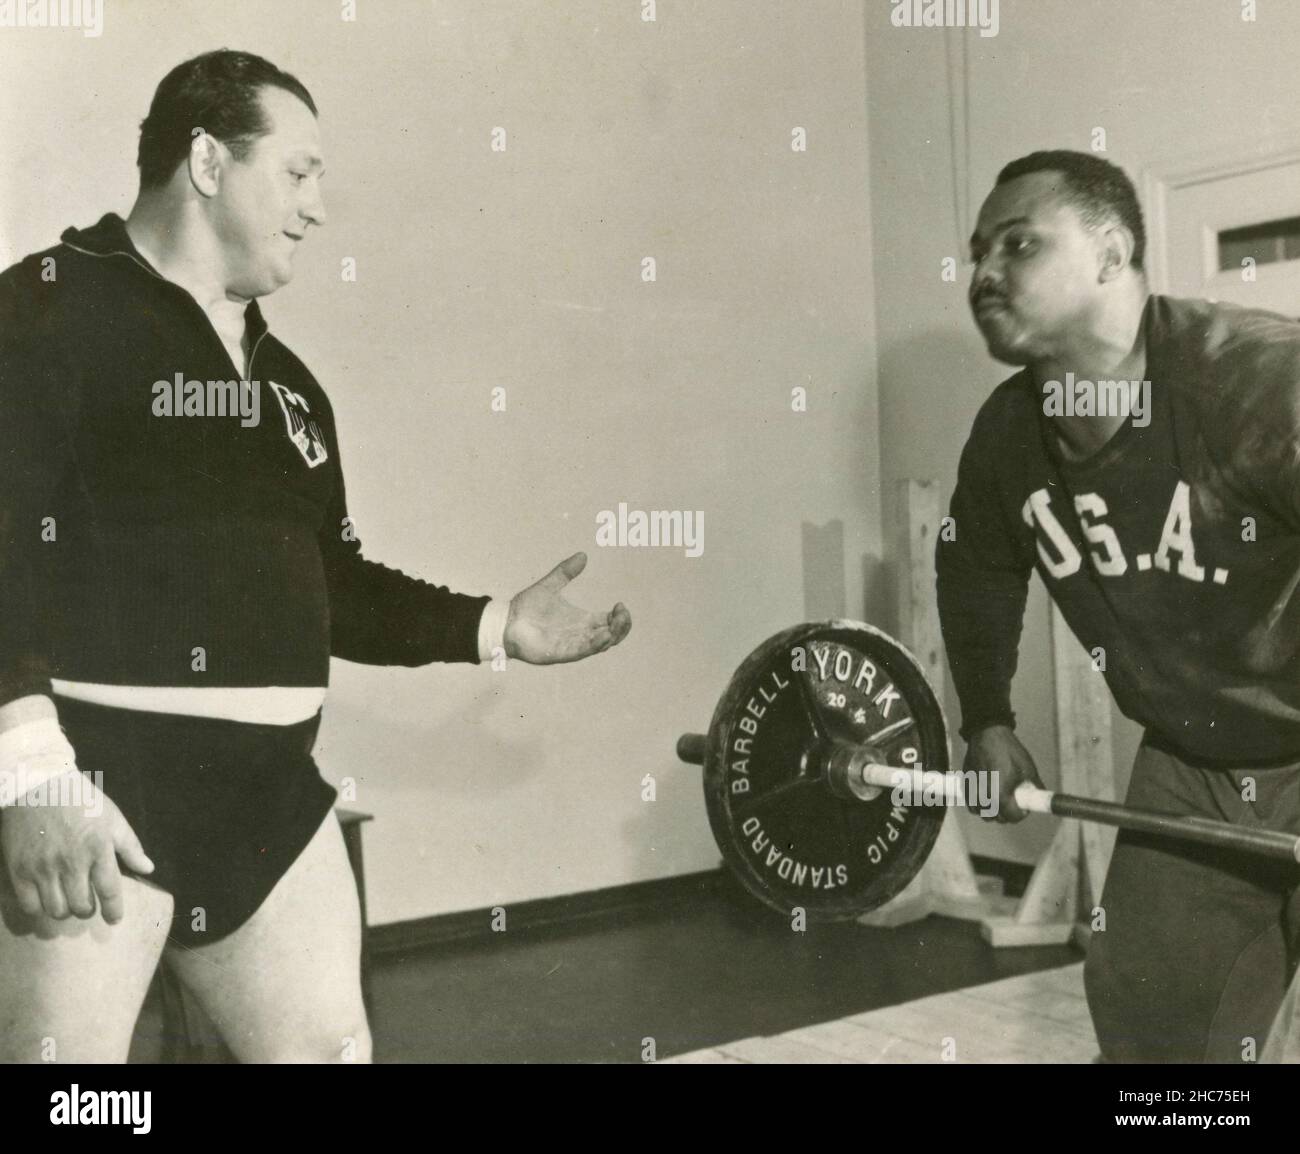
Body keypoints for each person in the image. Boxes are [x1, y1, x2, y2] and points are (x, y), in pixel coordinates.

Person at [0, 49, 631, 1064]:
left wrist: (492, 623)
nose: (317, 207)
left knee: (332, 1054)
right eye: (298, 172)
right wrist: (31, 778)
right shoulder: (48, 308)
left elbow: (335, 586)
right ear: (207, 160)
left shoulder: (290, 385)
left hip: (265, 801)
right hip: (104, 788)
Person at [937, 149, 1300, 1062]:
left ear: (1110, 253)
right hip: (1195, 761)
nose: (983, 273)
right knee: (1152, 1024)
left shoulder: (1258, 385)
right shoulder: (1008, 435)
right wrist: (986, 716)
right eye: (978, 251)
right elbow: (977, 566)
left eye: (1018, 244)